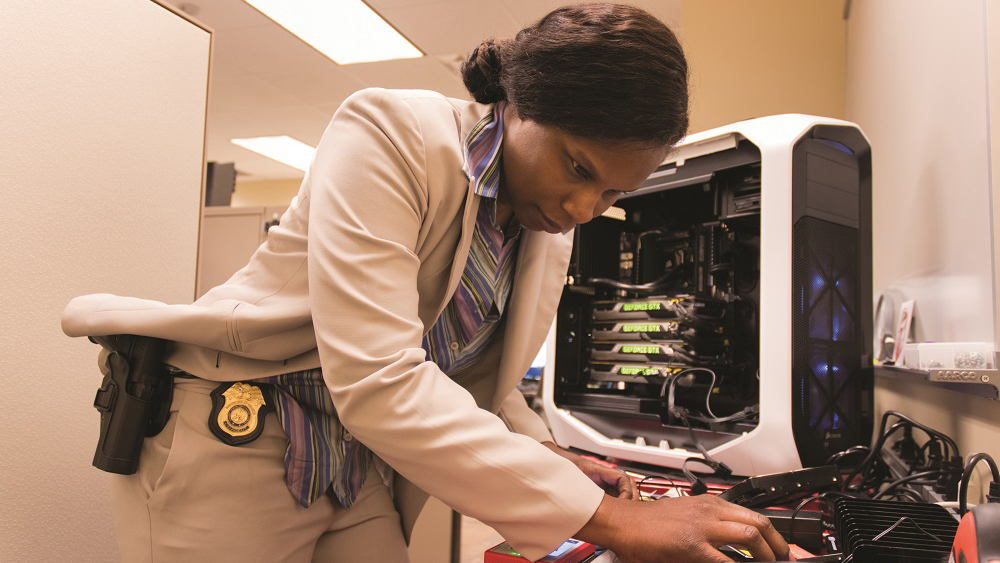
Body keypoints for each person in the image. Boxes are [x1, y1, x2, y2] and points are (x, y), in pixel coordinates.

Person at [62, 3, 790, 562]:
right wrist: (613, 519)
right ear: (521, 101)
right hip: (239, 431)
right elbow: (380, 376)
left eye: (606, 197)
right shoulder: (389, 134)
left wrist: (552, 459)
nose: (579, 209)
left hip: (353, 460)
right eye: (577, 168)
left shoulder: (539, 224)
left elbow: (475, 376)